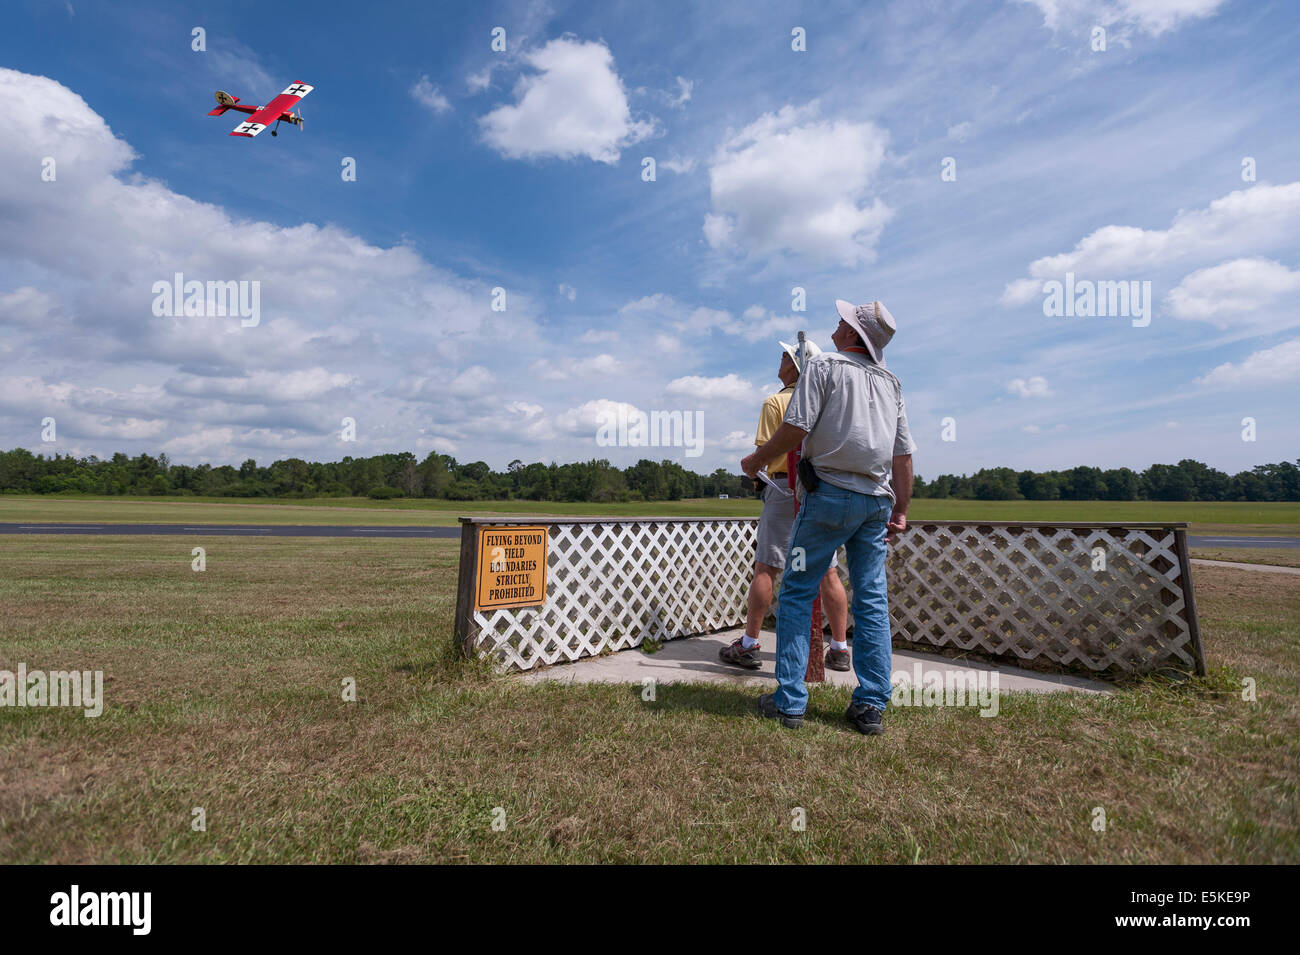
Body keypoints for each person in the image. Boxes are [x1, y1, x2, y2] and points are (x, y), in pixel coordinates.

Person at [741, 299, 915, 735]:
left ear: (853, 335)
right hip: (875, 502)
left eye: (844, 321)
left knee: (798, 591)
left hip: (828, 497)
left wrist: (757, 459)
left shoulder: (824, 368)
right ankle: (871, 705)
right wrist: (902, 509)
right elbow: (903, 455)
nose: (836, 325)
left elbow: (796, 428)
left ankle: (790, 702)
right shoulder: (892, 382)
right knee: (872, 599)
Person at [720, 338, 850, 672]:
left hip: (783, 488)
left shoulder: (776, 402)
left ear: (795, 363)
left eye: (784, 356)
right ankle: (838, 647)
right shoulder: (825, 401)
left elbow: (767, 451)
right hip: (820, 490)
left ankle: (748, 643)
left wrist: (751, 468)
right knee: (828, 570)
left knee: (766, 567)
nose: (779, 360)